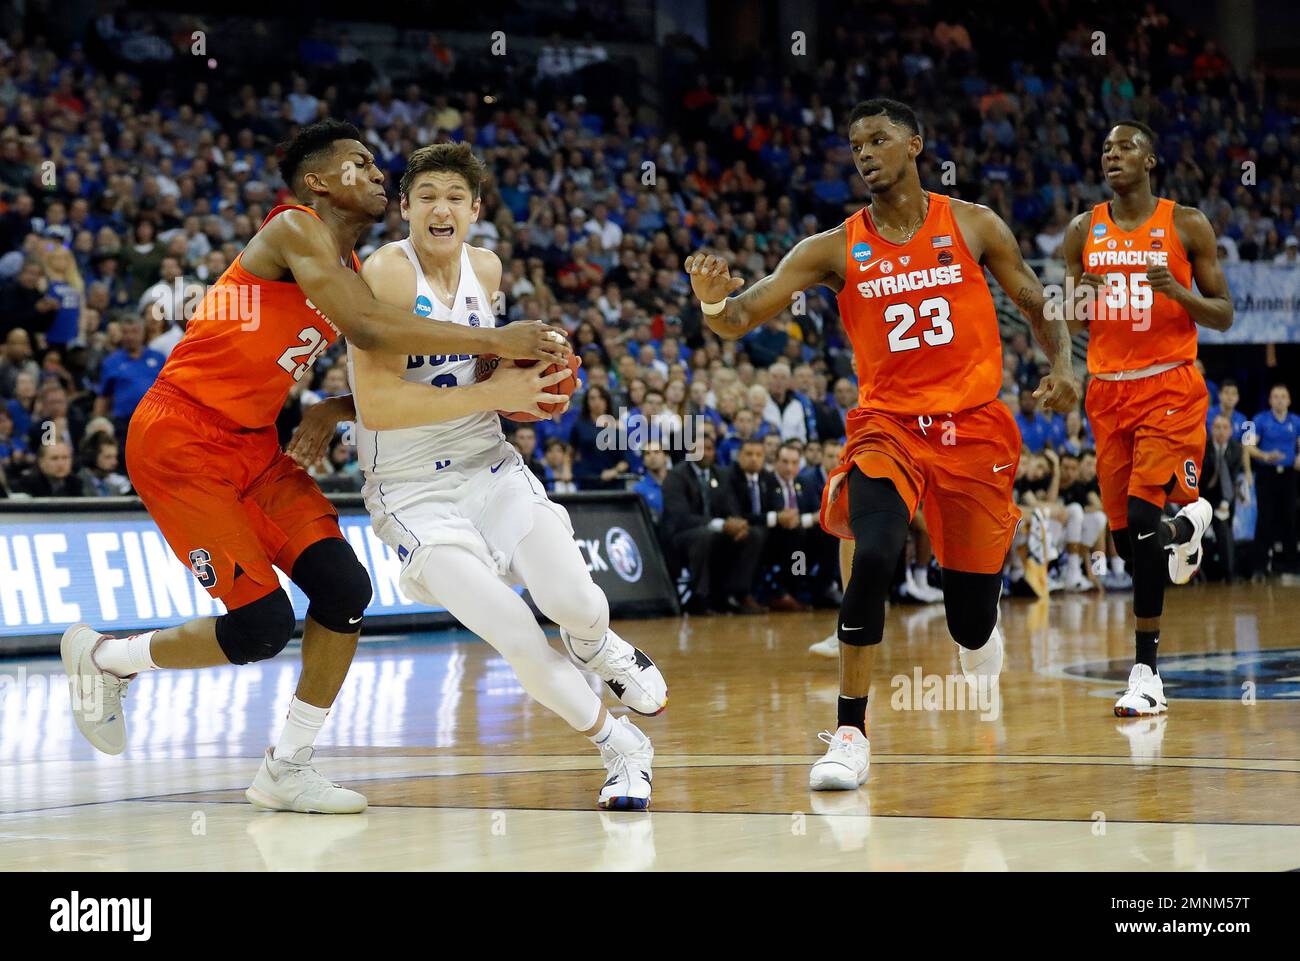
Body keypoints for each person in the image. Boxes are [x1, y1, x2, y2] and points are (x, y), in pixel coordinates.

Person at [60, 120, 571, 814]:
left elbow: (378, 364)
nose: (376, 172)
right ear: (319, 183)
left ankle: (288, 767)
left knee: (343, 587)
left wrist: (333, 407)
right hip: (179, 437)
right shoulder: (295, 229)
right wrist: (493, 338)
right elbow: (367, 330)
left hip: (252, 444)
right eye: (360, 164)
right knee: (261, 627)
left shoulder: (352, 271)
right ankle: (105, 659)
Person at [687, 98, 1080, 790]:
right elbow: (745, 314)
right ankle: (850, 731)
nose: (864, 151)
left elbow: (1034, 300)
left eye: (878, 138)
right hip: (887, 428)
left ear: (916, 144)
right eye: (854, 142)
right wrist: (714, 301)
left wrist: (1063, 368)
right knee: (872, 551)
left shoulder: (972, 223)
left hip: (972, 429)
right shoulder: (834, 246)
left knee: (970, 619)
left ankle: (979, 640)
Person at [325, 142, 666, 810]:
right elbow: (380, 406)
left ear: (476, 210)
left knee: (578, 602)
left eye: (454, 195)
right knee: (512, 628)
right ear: (405, 209)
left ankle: (594, 642)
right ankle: (622, 747)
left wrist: (527, 377)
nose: (439, 207)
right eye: (425, 196)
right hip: (412, 489)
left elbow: (482, 371)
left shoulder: (487, 266)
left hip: (490, 464)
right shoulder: (388, 274)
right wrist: (492, 383)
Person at [1061, 120, 1233, 717]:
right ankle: (1186, 531)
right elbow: (1069, 318)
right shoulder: (1083, 229)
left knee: (1139, 516)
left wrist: (1178, 293)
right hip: (1107, 393)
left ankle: (1146, 676)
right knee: (1126, 543)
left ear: (1151, 159)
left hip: (1169, 386)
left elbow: (1224, 315)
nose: (1112, 155)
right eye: (1105, 147)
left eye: (1125, 146)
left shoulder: (1185, 223)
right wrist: (1081, 292)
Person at [660, 433, 765, 615]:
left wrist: (737, 524)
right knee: (705, 536)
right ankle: (699, 598)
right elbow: (680, 517)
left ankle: (736, 594)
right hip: (679, 536)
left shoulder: (721, 474)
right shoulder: (675, 476)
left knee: (753, 534)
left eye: (709, 449)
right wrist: (720, 524)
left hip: (715, 533)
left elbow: (731, 507)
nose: (705, 453)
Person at [1247, 384, 1299, 576]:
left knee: (1290, 518)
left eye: (1283, 396)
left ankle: (1292, 564)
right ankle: (1259, 566)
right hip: (1266, 475)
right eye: (1275, 396)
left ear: (1289, 400)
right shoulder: (1259, 419)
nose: (1279, 400)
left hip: (1289, 475)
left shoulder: (1296, 420)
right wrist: (1265, 455)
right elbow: (1248, 446)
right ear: (1270, 400)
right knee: (1264, 518)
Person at [1202, 413, 1248, 581]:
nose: (1221, 431)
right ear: (1211, 430)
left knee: (1223, 529)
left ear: (1230, 431)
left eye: (1225, 427)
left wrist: (1225, 503)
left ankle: (1228, 573)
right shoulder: (1203, 448)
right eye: (1217, 427)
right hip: (1203, 497)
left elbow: (1234, 478)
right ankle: (1196, 572)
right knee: (1195, 532)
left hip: (1225, 498)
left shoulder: (1237, 449)